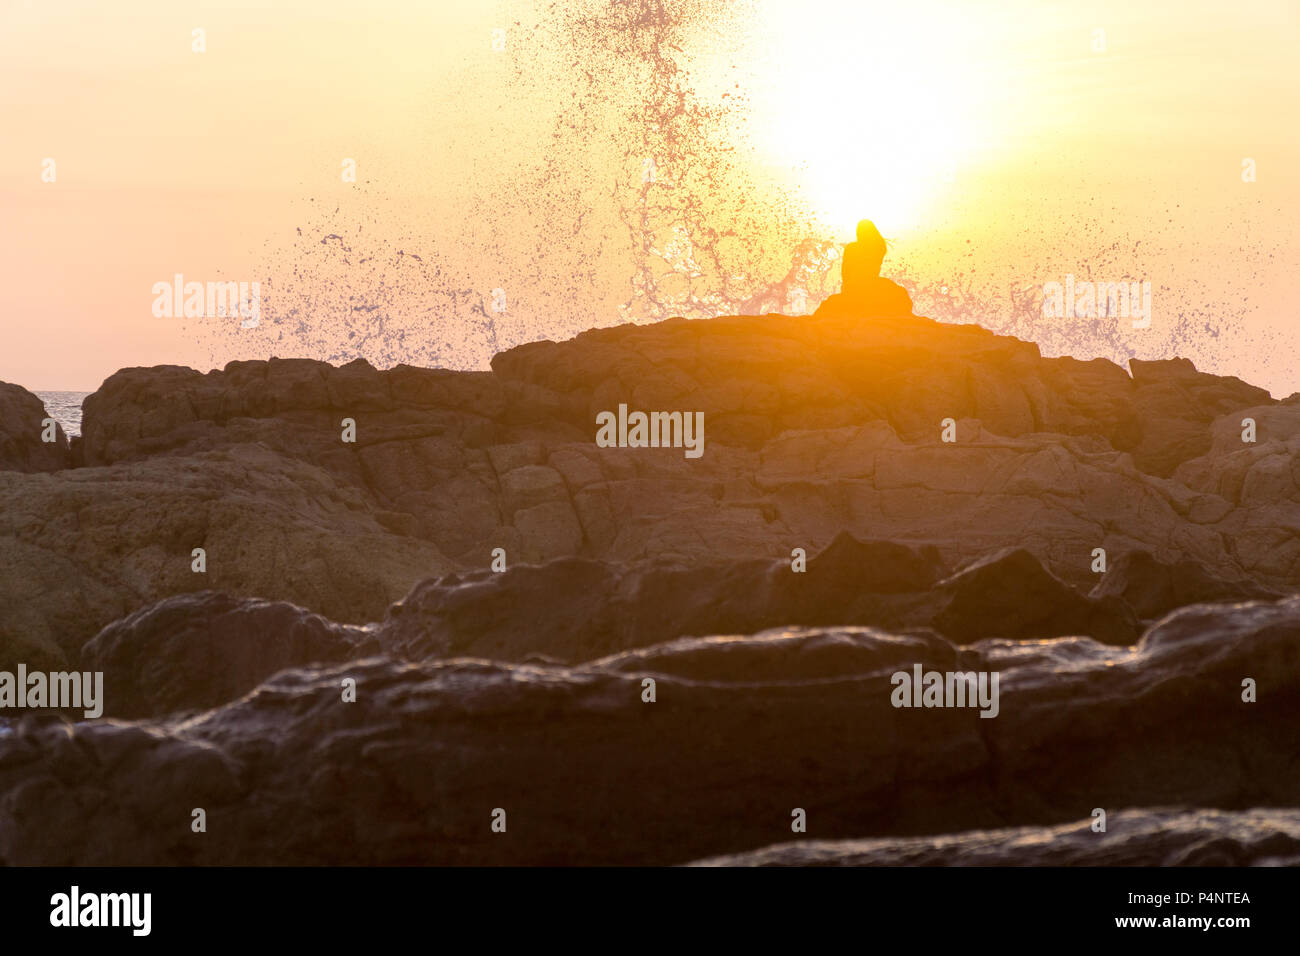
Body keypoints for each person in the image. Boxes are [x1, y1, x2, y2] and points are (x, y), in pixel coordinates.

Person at [817, 219, 914, 318]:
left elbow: (845, 272)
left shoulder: (852, 248)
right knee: (899, 295)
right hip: (869, 285)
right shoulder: (879, 247)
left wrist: (846, 290)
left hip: (855, 286)